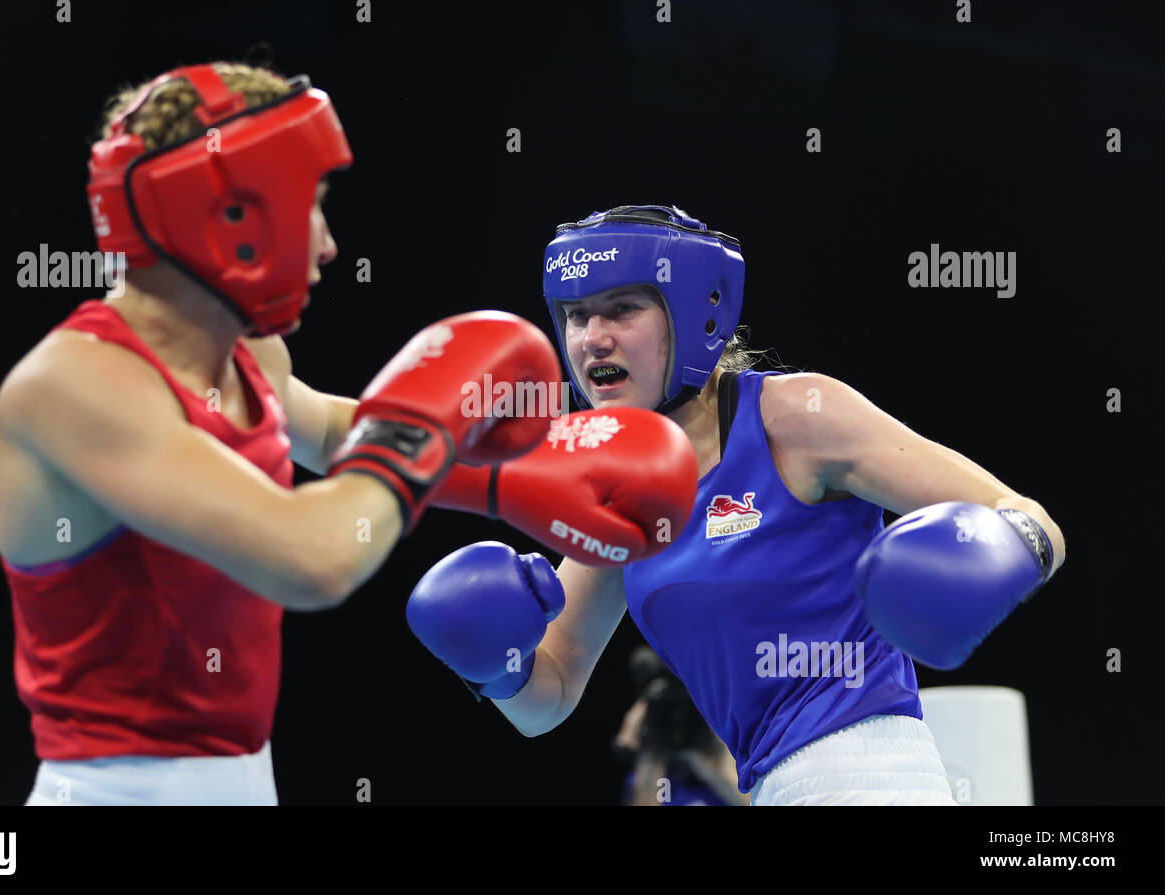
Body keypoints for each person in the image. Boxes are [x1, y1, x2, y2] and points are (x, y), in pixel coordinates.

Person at [0, 63, 687, 805]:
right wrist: (430, 421)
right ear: (229, 213)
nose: (327, 245)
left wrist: (509, 479)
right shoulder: (75, 387)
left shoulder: (247, 356)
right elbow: (309, 556)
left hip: (245, 777)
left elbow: (327, 431)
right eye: (311, 204)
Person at [407, 205, 1066, 806]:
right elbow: (546, 697)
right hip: (769, 789)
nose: (592, 338)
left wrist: (991, 555)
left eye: (622, 308)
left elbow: (1030, 517)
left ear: (700, 311)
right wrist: (491, 656)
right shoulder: (617, 499)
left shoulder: (795, 417)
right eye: (577, 315)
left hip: (879, 778)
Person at [614, 647, 749, 806]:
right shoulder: (647, 778)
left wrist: (716, 758)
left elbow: (750, 802)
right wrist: (644, 741)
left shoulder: (727, 767)